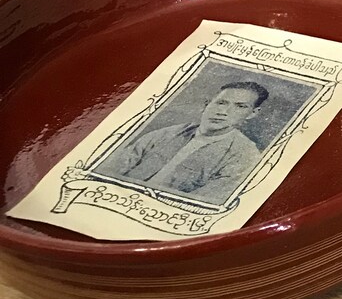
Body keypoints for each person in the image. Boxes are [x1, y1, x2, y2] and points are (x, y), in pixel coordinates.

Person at [97, 81, 269, 206]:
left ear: (253, 113)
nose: (223, 112)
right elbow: (109, 169)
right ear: (207, 103)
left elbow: (199, 204)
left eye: (240, 107)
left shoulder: (245, 155)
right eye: (221, 102)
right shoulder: (166, 133)